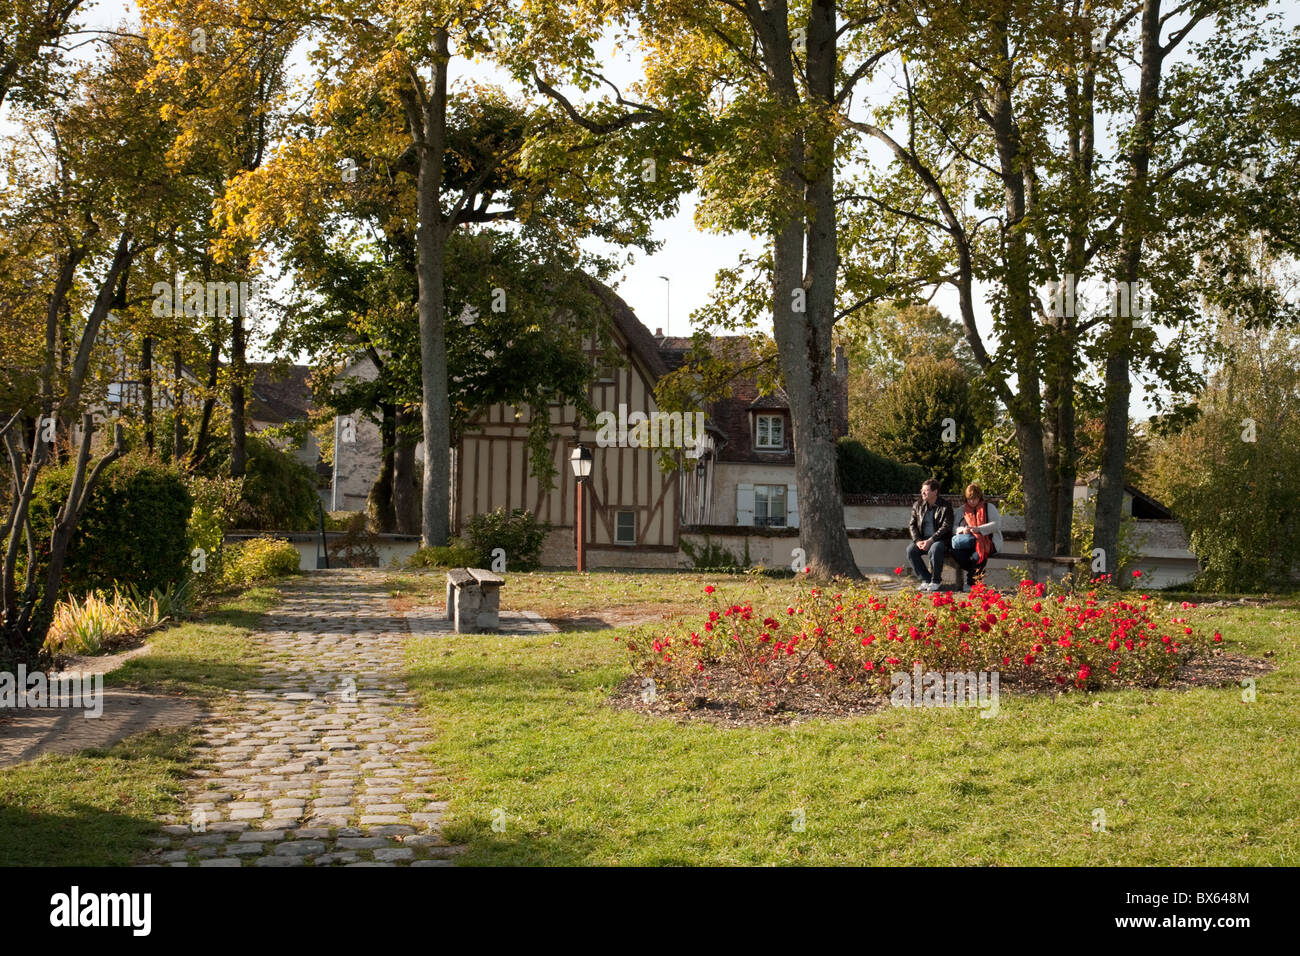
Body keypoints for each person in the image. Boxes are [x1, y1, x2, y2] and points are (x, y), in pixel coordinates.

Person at [950, 482, 1003, 591]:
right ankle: (977, 575)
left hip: (988, 541)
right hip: (968, 542)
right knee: (956, 552)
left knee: (978, 555)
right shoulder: (962, 510)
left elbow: (996, 524)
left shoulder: (989, 507)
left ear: (979, 497)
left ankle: (971, 583)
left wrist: (979, 529)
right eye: (969, 499)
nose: (972, 501)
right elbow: (954, 527)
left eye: (974, 498)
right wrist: (962, 530)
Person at [906, 478, 953, 592]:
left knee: (935, 549)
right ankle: (926, 579)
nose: (923, 493)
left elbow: (946, 527)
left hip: (940, 540)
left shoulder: (945, 506)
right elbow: (912, 525)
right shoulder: (918, 505)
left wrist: (931, 540)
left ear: (935, 492)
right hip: (922, 540)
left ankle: (936, 581)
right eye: (922, 490)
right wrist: (917, 541)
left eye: (926, 490)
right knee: (911, 550)